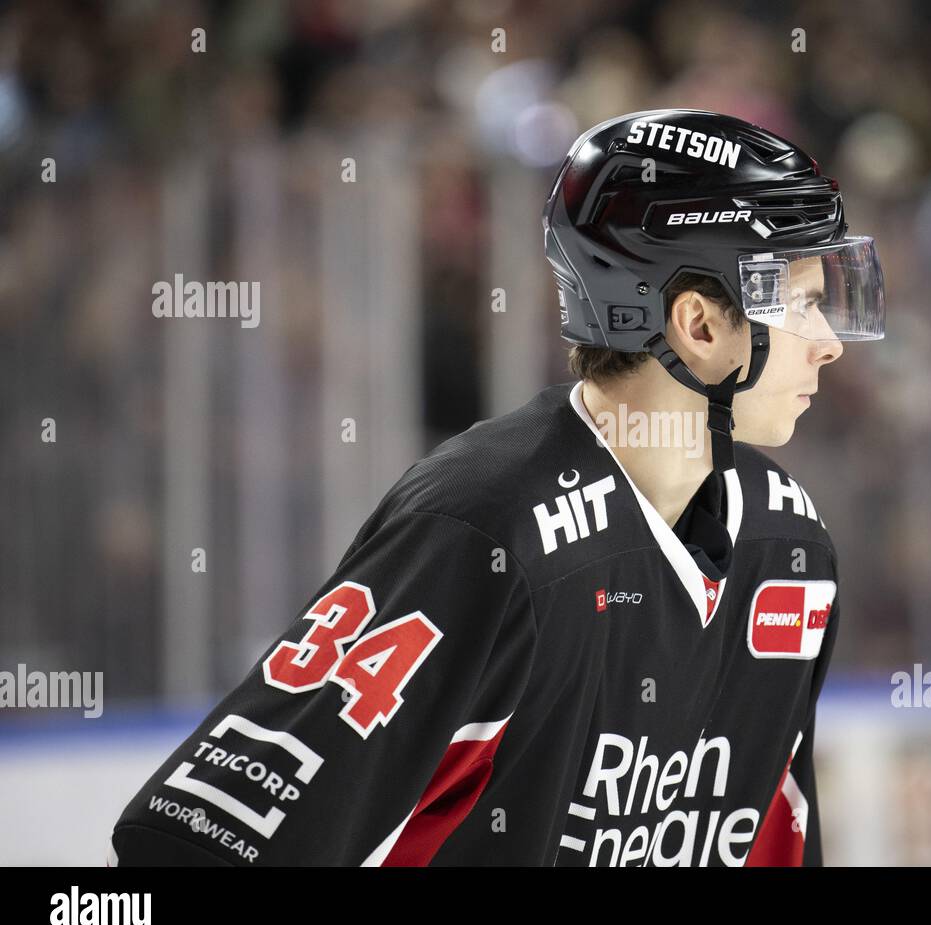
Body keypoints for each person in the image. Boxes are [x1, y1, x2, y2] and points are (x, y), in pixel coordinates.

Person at [108, 108, 885, 866]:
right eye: (805, 304)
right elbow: (196, 845)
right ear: (699, 324)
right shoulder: (486, 527)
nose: (827, 345)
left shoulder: (788, 546)